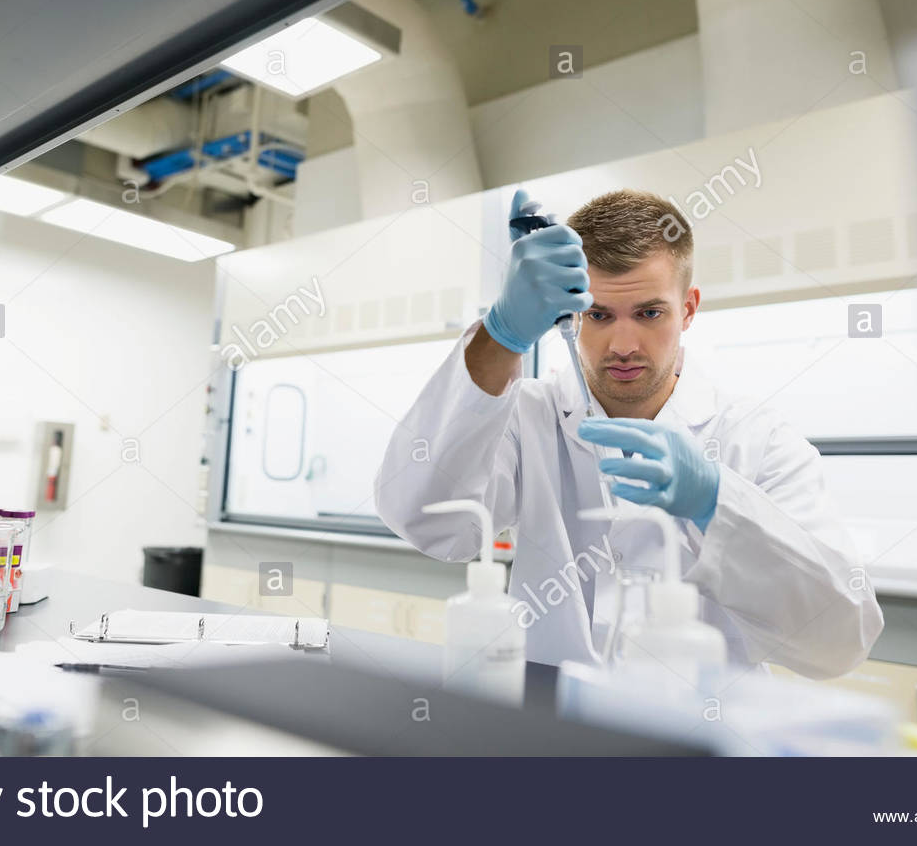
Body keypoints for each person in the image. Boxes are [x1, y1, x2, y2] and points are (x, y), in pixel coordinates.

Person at [375, 189, 884, 678]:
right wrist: (500, 333)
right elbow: (425, 521)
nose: (622, 344)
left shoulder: (758, 440)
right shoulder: (530, 416)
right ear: (571, 312)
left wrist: (718, 503)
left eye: (649, 313)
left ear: (687, 309)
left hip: (698, 738)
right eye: (598, 315)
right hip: (552, 736)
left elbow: (839, 641)